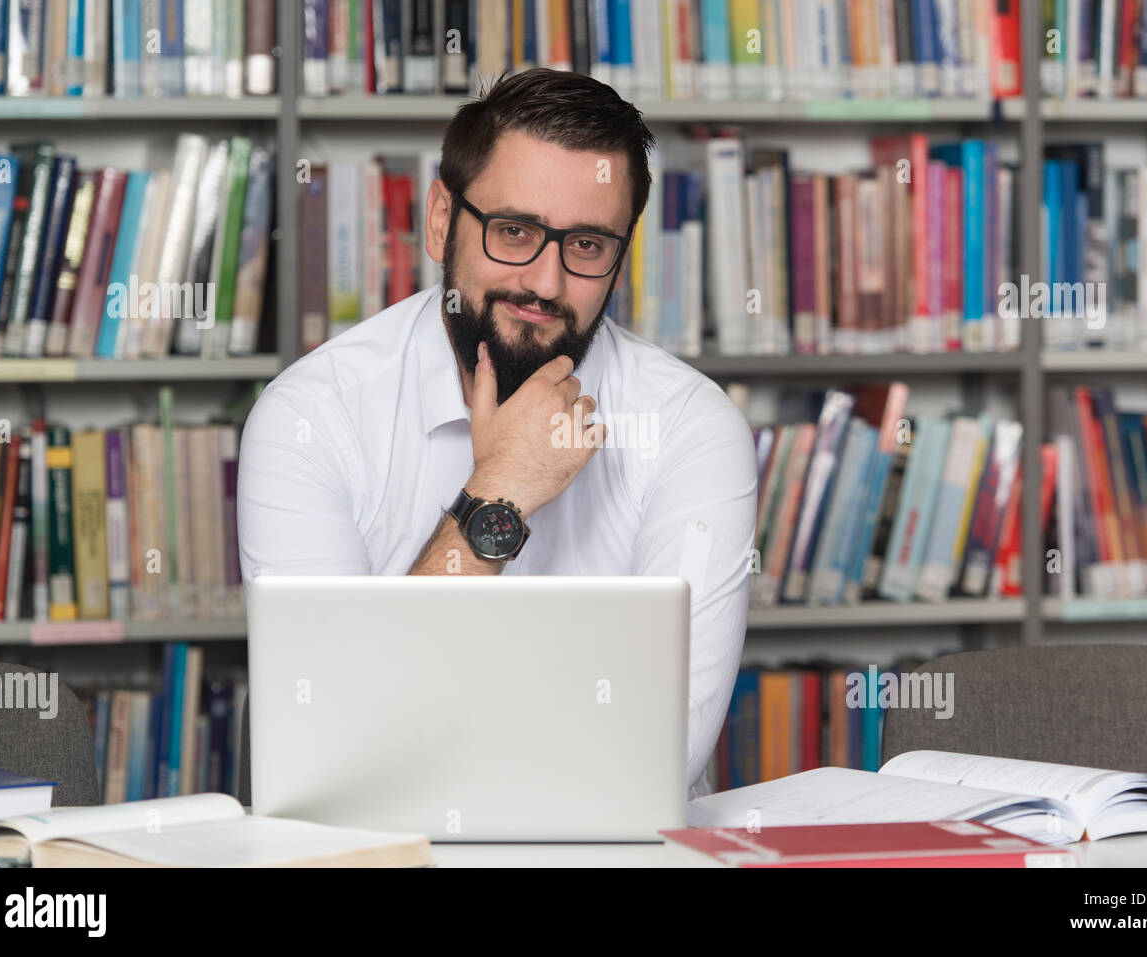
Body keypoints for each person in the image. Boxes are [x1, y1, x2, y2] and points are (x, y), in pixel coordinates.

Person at [237, 68, 757, 797]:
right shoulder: (307, 420)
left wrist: (416, 734)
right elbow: (331, 749)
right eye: (515, 231)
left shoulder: (692, 429)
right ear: (442, 220)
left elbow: (658, 755)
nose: (546, 283)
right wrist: (501, 490)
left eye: (586, 245)